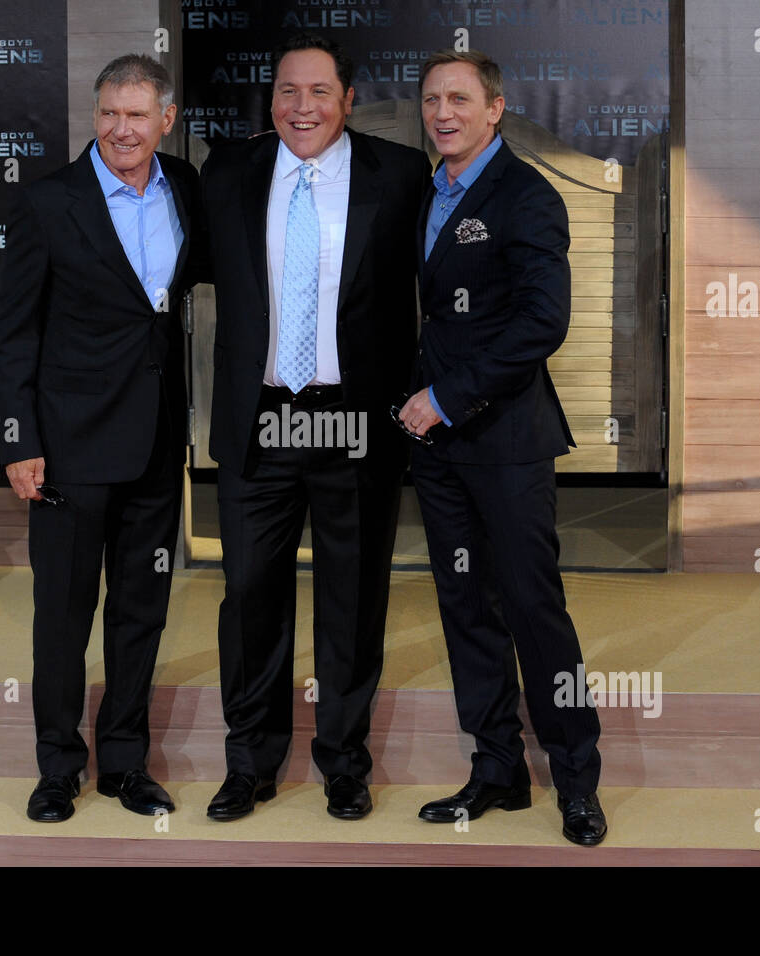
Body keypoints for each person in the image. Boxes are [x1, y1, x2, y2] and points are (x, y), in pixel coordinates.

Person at [199, 32, 431, 821]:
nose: (303, 108)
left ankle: (343, 762)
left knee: (352, 598)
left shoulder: (399, 175)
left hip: (353, 421)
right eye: (287, 92)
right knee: (250, 596)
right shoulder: (228, 169)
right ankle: (250, 763)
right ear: (271, 100)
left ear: (348, 100)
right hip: (258, 420)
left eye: (319, 93)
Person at [397, 49, 608, 846]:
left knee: (531, 608)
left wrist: (448, 397)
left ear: (495, 108)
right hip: (437, 449)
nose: (442, 113)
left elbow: (540, 324)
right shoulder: (428, 192)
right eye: (429, 100)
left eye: (459, 99)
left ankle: (577, 780)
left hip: (507, 440)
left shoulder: (527, 195)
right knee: (464, 607)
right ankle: (497, 770)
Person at [0, 54, 203, 823]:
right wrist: (19, 440)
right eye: (109, 113)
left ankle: (124, 764)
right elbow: (13, 333)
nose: (121, 129)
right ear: (95, 115)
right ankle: (57, 767)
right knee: (64, 616)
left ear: (166, 121)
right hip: (70, 451)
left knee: (140, 614)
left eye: (138, 115)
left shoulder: (186, 189)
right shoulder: (50, 202)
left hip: (152, 447)